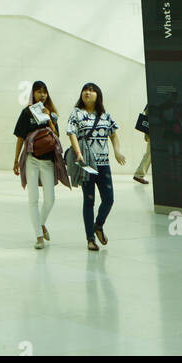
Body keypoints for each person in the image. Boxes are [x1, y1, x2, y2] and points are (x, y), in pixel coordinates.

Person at [67, 82, 125, 252]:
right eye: (85, 90)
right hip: (87, 164)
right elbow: (71, 133)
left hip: (103, 164)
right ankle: (90, 239)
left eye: (92, 91)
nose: (88, 93)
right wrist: (78, 154)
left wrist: (117, 152)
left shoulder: (105, 116)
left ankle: (98, 225)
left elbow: (114, 135)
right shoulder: (76, 113)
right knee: (89, 200)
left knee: (109, 199)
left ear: (98, 95)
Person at [13, 80, 69, 249]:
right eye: (38, 91)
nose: (42, 95)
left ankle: (41, 224)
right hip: (32, 159)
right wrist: (16, 160)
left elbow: (57, 135)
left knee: (50, 199)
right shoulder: (27, 113)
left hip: (48, 161)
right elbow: (20, 138)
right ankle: (39, 236)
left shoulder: (51, 113)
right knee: (33, 199)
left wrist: (49, 118)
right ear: (33, 94)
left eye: (44, 92)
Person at [134, 104, 151, 184]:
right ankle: (139, 174)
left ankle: (139, 174)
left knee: (150, 153)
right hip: (154, 131)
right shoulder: (154, 101)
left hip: (153, 131)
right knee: (150, 153)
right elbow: (148, 118)